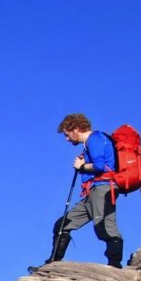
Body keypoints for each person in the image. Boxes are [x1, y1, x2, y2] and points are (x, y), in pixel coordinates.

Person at [34, 113, 123, 271]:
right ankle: (52, 264)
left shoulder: (94, 139)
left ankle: (115, 266)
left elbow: (100, 166)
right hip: (93, 191)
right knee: (62, 224)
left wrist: (81, 166)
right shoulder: (92, 142)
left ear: (75, 129)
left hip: (103, 189)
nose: (67, 139)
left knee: (106, 229)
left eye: (67, 135)